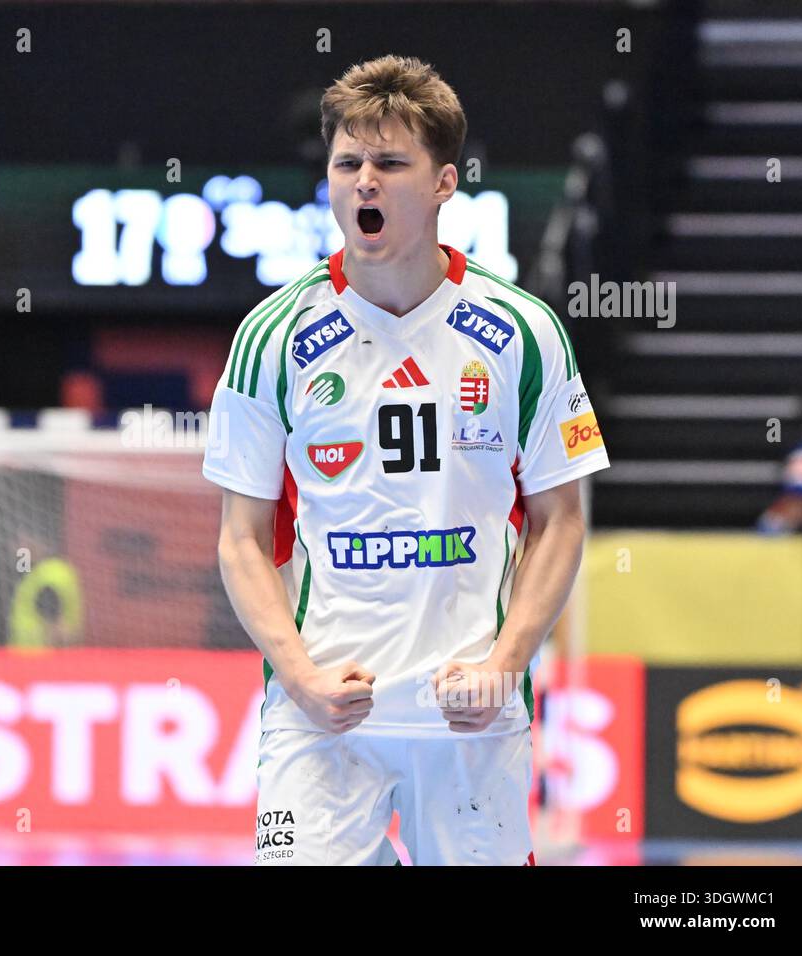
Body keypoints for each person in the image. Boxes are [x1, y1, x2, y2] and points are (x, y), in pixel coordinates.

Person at [204, 54, 609, 866]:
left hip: (466, 713)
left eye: (390, 164)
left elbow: (562, 520)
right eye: (347, 163)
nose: (364, 183)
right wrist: (299, 676)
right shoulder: (273, 338)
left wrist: (505, 664)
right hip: (320, 713)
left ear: (443, 182)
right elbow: (241, 538)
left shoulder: (521, 332)